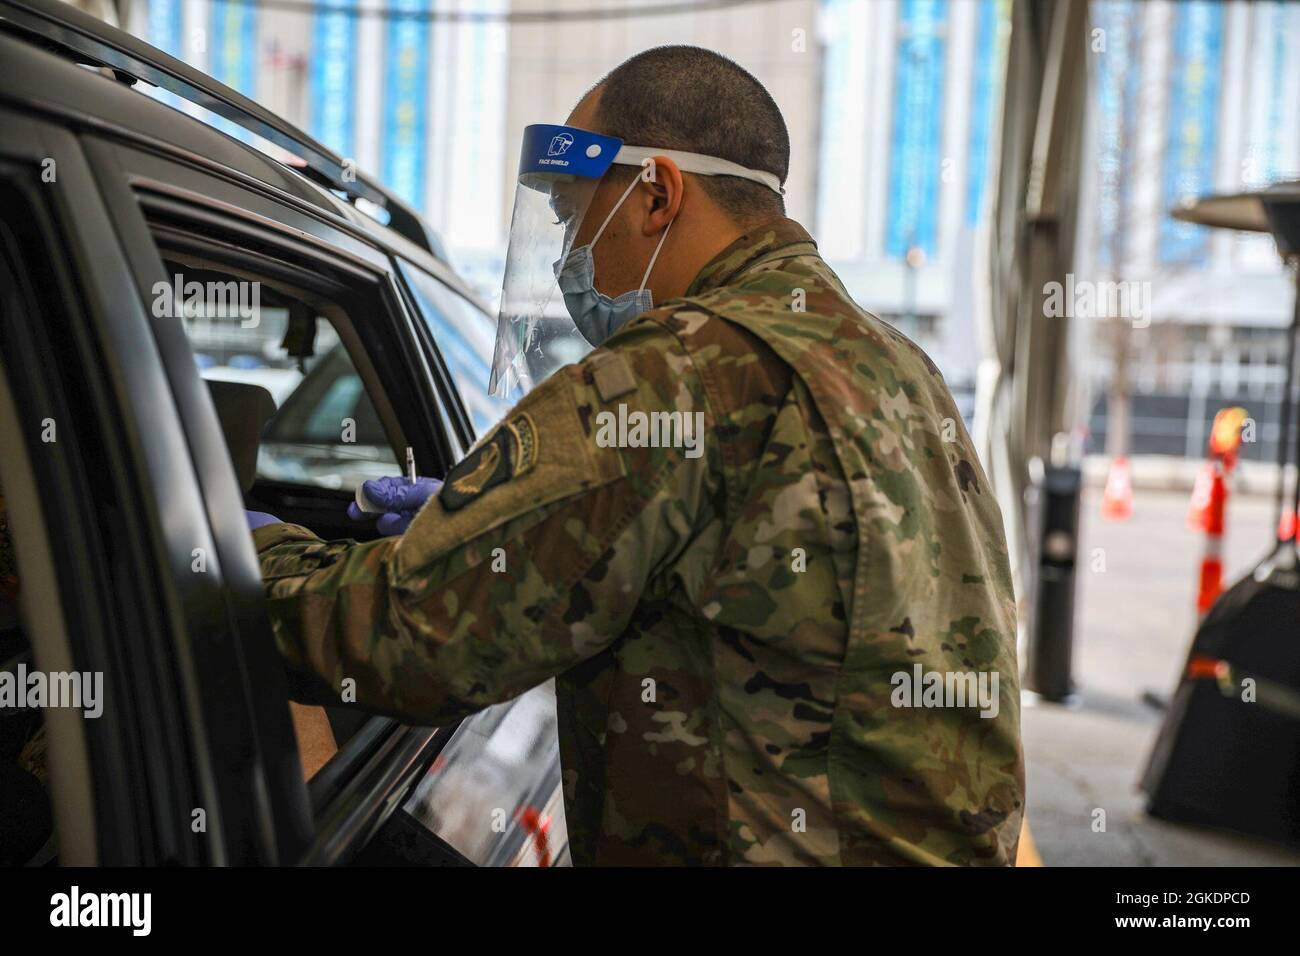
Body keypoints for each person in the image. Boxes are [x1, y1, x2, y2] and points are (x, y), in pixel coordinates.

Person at [253, 45, 1024, 866]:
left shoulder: (675, 370)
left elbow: (413, 636)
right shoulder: (895, 362)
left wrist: (236, 551)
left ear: (656, 194)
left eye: (570, 212)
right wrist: (513, 516)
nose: (563, 255)